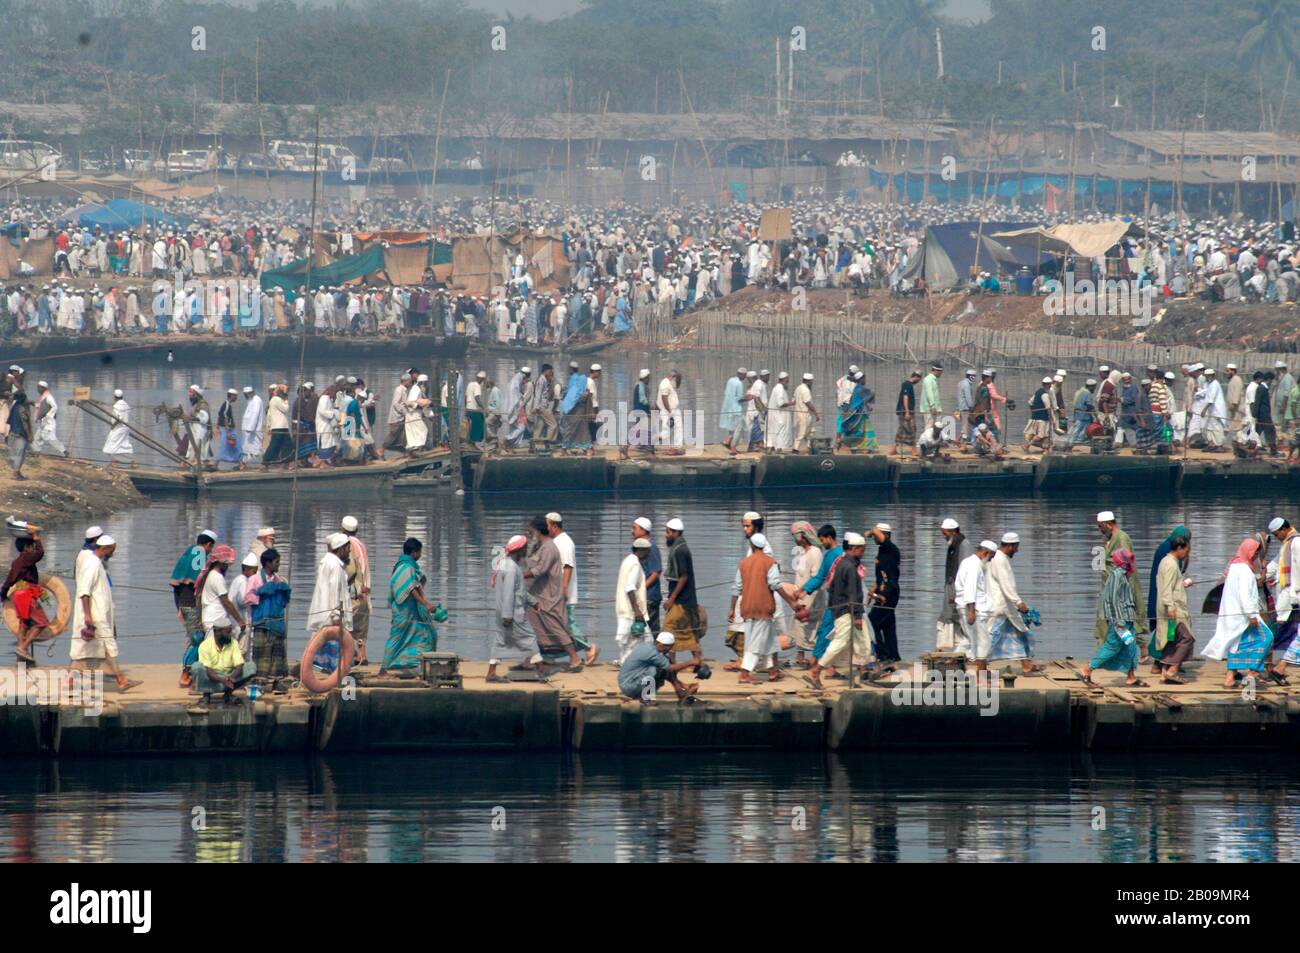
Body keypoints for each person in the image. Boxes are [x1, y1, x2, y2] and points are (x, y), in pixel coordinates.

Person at [70, 534, 140, 692]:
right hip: (96, 616)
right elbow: (84, 591)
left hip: (100, 614)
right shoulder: (92, 563)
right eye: (112, 551)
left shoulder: (97, 563)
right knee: (109, 646)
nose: (113, 554)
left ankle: (70, 681)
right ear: (104, 548)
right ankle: (121, 679)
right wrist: (88, 616)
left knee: (86, 649)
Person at [1203, 537, 1273, 689]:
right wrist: (1251, 616)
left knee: (1236, 644)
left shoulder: (1234, 567)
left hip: (1231, 614)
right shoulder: (1245, 571)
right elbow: (1244, 595)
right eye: (1253, 553)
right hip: (1243, 616)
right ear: (1247, 552)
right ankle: (1252, 673)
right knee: (1267, 637)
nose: (1254, 557)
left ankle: (1229, 677)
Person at [728, 532, 798, 684]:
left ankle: (772, 671)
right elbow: (775, 584)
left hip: (746, 607)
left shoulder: (743, 563)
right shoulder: (770, 562)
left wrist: (732, 609)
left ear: (752, 546)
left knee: (770, 640)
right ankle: (745, 673)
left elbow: (736, 588)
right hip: (763, 608)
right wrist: (790, 602)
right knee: (755, 644)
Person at [805, 531, 871, 690]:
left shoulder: (841, 563)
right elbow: (853, 593)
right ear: (854, 549)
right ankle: (817, 670)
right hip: (847, 612)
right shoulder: (849, 567)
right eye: (862, 550)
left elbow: (831, 588)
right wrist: (856, 616)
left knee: (863, 640)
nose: (863, 553)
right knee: (840, 642)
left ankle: (863, 671)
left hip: (842, 610)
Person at [1080, 549, 1144, 687]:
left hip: (1127, 620)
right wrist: (1119, 621)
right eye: (1129, 559)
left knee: (1131, 646)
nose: (1131, 561)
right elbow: (1113, 599)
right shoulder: (1116, 575)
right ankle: (1088, 669)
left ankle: (1131, 677)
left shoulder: (1125, 575)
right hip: (1119, 622)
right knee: (1113, 646)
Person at [525, 515, 581, 670]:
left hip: (549, 595)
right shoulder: (541, 546)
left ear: (538, 531)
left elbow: (540, 569)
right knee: (536, 626)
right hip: (538, 594)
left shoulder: (549, 547)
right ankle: (534, 658)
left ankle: (575, 657)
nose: (530, 535)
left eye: (531, 532)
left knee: (554, 625)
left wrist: (519, 574)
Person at [487, 534, 544, 682]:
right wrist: (508, 616)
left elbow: (520, 591)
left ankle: (491, 673)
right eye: (524, 548)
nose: (526, 551)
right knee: (529, 638)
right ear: (519, 550)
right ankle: (541, 671)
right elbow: (509, 593)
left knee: (500, 640)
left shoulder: (505, 564)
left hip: (503, 611)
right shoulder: (511, 568)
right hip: (513, 612)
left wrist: (533, 602)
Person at [987, 532, 1043, 675]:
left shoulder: (998, 558)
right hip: (1002, 606)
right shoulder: (1000, 560)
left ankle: (1026, 664)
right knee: (991, 637)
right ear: (1010, 546)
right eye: (1016, 547)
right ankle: (979, 663)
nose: (1017, 551)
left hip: (1006, 605)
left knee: (1020, 633)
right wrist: (1019, 603)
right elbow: (1006, 585)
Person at [381, 537, 439, 673]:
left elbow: (417, 584)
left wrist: (426, 603)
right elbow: (411, 588)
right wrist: (425, 603)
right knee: (396, 638)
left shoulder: (409, 566)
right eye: (419, 552)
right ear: (414, 552)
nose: (420, 555)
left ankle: (413, 663)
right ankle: (383, 669)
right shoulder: (406, 567)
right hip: (403, 611)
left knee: (425, 633)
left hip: (412, 610)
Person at [1093, 510, 1147, 654]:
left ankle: (1139, 646)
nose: (1099, 530)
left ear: (1108, 524)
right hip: (1109, 587)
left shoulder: (1122, 538)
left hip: (1119, 588)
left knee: (1121, 620)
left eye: (1100, 526)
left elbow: (1127, 562)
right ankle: (1105, 650)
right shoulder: (1109, 538)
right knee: (1106, 619)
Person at [547, 512, 596, 664]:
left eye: (547, 525)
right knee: (557, 624)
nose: (545, 528)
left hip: (564, 593)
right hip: (556, 592)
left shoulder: (565, 542)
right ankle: (549, 656)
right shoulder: (556, 541)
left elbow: (568, 566)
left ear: (554, 526)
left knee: (568, 624)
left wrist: (563, 589)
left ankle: (590, 648)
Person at [170, 529, 215, 688]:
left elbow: (176, 586)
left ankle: (193, 673)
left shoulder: (186, 555)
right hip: (193, 606)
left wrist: (178, 608)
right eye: (211, 548)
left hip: (183, 603)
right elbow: (199, 588)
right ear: (209, 545)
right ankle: (186, 673)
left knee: (193, 639)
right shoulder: (201, 557)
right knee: (197, 640)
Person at [307, 533, 354, 676]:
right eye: (347, 549)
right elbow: (334, 592)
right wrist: (336, 616)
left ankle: (323, 676)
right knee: (332, 653)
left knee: (322, 651)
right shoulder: (335, 566)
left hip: (324, 614)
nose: (349, 552)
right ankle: (331, 679)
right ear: (340, 549)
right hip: (332, 616)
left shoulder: (327, 562)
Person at [661, 517, 705, 670]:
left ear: (675, 533)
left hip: (682, 599)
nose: (666, 535)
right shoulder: (679, 548)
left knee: (669, 626)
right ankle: (697, 661)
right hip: (684, 598)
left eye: (668, 532)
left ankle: (671, 661)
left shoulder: (680, 551)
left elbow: (684, 576)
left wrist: (672, 598)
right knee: (687, 631)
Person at [1153, 534, 1195, 684]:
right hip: (1173, 609)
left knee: (1171, 640)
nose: (1186, 554)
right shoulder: (1171, 564)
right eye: (1186, 550)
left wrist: (1182, 584)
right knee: (1187, 638)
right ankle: (1172, 670)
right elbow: (1166, 588)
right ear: (1178, 548)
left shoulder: (1166, 561)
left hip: (1168, 606)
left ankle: (1164, 674)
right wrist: (1171, 607)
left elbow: (1170, 585)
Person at [245, 547, 291, 679]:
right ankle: (260, 680)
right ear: (268, 563)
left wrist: (284, 592)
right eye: (277, 562)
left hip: (277, 623)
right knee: (262, 655)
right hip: (262, 623)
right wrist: (262, 593)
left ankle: (275, 680)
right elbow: (248, 597)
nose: (279, 565)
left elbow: (283, 602)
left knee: (276, 655)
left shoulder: (278, 580)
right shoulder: (254, 579)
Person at [1, 529, 46, 662]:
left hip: (19, 594)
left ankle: (21, 651)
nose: (33, 549)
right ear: (26, 548)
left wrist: (3, 594)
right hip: (27, 594)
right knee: (41, 623)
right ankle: (23, 647)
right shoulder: (27, 558)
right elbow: (41, 552)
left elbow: (9, 581)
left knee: (25, 623)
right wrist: (35, 537)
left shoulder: (16, 562)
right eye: (31, 546)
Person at [955, 539, 997, 678]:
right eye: (990, 557)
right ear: (985, 552)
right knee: (983, 641)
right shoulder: (974, 566)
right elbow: (970, 588)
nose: (990, 560)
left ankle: (964, 667)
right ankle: (982, 672)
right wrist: (971, 611)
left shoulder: (967, 562)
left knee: (971, 641)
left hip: (967, 607)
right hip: (974, 609)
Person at [617, 633, 699, 704]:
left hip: (630, 682)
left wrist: (681, 684)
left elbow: (667, 668)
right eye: (669, 648)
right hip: (629, 685)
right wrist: (691, 662)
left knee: (663, 665)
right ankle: (646, 699)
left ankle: (679, 692)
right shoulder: (652, 652)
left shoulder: (650, 646)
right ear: (663, 645)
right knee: (655, 670)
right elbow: (670, 668)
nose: (669, 651)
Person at [787, 521, 823, 667]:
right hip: (799, 597)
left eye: (795, 535)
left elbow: (816, 578)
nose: (794, 539)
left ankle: (819, 659)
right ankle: (800, 656)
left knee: (811, 628)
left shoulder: (815, 552)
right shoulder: (803, 552)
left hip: (811, 598)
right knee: (798, 627)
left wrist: (803, 593)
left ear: (803, 536)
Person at [867, 522, 901, 668]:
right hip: (882, 592)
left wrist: (869, 532)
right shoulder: (882, 551)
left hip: (889, 594)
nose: (874, 537)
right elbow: (881, 576)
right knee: (887, 625)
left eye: (877, 535)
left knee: (871, 621)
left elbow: (875, 531)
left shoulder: (890, 548)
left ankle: (883, 655)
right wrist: (871, 592)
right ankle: (893, 656)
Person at [341, 515, 372, 666]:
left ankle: (345, 657)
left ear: (342, 530)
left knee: (345, 624)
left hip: (354, 592)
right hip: (364, 592)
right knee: (361, 626)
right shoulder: (361, 545)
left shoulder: (348, 545)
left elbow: (350, 569)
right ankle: (362, 655)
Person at [614, 538, 651, 664]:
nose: (648, 554)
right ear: (641, 550)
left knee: (629, 640)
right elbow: (630, 587)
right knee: (647, 639)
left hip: (623, 607)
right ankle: (628, 662)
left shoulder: (627, 560)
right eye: (647, 551)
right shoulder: (635, 564)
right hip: (632, 610)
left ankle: (625, 661)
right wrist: (637, 611)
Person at [938, 517, 972, 649]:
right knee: (948, 618)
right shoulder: (952, 545)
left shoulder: (964, 545)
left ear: (953, 531)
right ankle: (948, 649)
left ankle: (964, 650)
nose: (943, 536)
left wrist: (958, 594)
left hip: (959, 593)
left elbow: (966, 573)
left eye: (945, 532)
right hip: (951, 591)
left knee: (960, 620)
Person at [631, 516, 662, 631]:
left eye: (634, 528)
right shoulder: (639, 547)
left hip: (649, 597)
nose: (632, 531)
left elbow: (656, 572)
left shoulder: (651, 548)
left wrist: (641, 589)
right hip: (643, 597)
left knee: (649, 630)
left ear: (643, 530)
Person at [227, 552, 258, 656]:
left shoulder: (237, 579)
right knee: (241, 650)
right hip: (240, 622)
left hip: (235, 621)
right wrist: (256, 598)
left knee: (235, 649)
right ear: (247, 569)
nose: (255, 573)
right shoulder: (243, 581)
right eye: (254, 571)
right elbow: (242, 600)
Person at [841, 371, 877, 451]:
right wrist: (871, 395)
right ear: (861, 379)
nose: (865, 381)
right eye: (864, 379)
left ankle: (867, 446)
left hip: (860, 412)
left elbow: (861, 401)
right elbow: (863, 400)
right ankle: (867, 446)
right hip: (858, 413)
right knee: (861, 430)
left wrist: (868, 406)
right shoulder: (860, 389)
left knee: (862, 430)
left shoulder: (856, 388)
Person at [101, 388, 134, 467]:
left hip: (119, 428)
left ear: (115, 397)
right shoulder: (125, 404)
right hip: (125, 428)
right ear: (122, 396)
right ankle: (132, 462)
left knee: (111, 443)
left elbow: (119, 418)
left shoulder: (117, 405)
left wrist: (113, 425)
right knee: (123, 445)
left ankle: (114, 463)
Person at [31, 381, 66, 456]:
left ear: (44, 388)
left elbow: (55, 406)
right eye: (38, 387)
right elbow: (41, 407)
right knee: (37, 438)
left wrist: (48, 415)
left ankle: (64, 451)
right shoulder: (43, 397)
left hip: (48, 421)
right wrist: (34, 404)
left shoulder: (48, 397)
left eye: (40, 387)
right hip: (43, 422)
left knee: (50, 438)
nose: (38, 389)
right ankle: (36, 452)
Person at [5, 384, 31, 480]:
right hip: (20, 434)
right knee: (20, 454)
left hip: (11, 433)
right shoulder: (22, 409)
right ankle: (15, 474)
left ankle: (17, 472)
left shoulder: (13, 407)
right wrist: (29, 435)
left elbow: (8, 422)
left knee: (14, 454)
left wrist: (7, 435)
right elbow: (25, 424)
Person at [720, 367, 747, 450]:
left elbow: (727, 393)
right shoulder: (739, 383)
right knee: (739, 429)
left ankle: (728, 442)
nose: (745, 378)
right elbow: (739, 398)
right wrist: (749, 398)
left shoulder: (730, 380)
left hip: (728, 408)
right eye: (744, 376)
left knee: (732, 428)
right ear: (741, 374)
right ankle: (733, 448)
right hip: (736, 410)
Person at [894, 369, 920, 456]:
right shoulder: (907, 385)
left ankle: (894, 448)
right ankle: (914, 450)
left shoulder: (907, 384)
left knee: (902, 429)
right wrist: (907, 412)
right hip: (905, 411)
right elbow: (905, 398)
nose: (918, 382)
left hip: (904, 410)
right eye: (919, 379)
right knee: (912, 429)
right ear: (916, 377)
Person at [215, 388, 242, 468]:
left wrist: (217, 425)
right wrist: (228, 432)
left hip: (226, 429)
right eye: (235, 396)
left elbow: (220, 415)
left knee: (226, 446)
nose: (236, 398)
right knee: (236, 445)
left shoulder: (227, 404)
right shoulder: (226, 404)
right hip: (228, 429)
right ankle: (241, 464)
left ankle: (216, 463)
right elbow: (225, 418)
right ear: (232, 396)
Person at [658, 369, 684, 452]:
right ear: (673, 377)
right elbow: (664, 398)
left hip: (673, 409)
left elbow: (677, 387)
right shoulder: (665, 384)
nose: (677, 382)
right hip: (668, 410)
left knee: (677, 427)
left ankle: (677, 446)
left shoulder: (670, 383)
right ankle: (656, 438)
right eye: (677, 379)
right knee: (669, 430)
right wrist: (669, 411)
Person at [793, 372, 819, 453]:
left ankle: (809, 447)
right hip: (804, 414)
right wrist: (816, 413)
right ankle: (795, 449)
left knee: (811, 431)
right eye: (811, 382)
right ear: (809, 381)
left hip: (800, 413)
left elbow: (794, 400)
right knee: (802, 433)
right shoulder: (805, 390)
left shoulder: (798, 388)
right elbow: (808, 403)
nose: (812, 383)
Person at [766, 371, 793, 452]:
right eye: (787, 380)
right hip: (779, 416)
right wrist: (791, 403)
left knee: (776, 433)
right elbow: (780, 404)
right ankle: (778, 450)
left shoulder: (777, 388)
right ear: (784, 379)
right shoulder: (780, 389)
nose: (788, 382)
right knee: (780, 433)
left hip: (776, 415)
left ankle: (774, 448)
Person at [240, 385, 264, 470]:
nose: (245, 396)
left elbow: (255, 414)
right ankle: (243, 464)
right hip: (248, 429)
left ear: (250, 393)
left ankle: (265, 463)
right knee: (247, 449)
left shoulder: (256, 400)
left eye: (246, 394)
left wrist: (250, 428)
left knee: (257, 449)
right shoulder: (251, 400)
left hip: (254, 430)